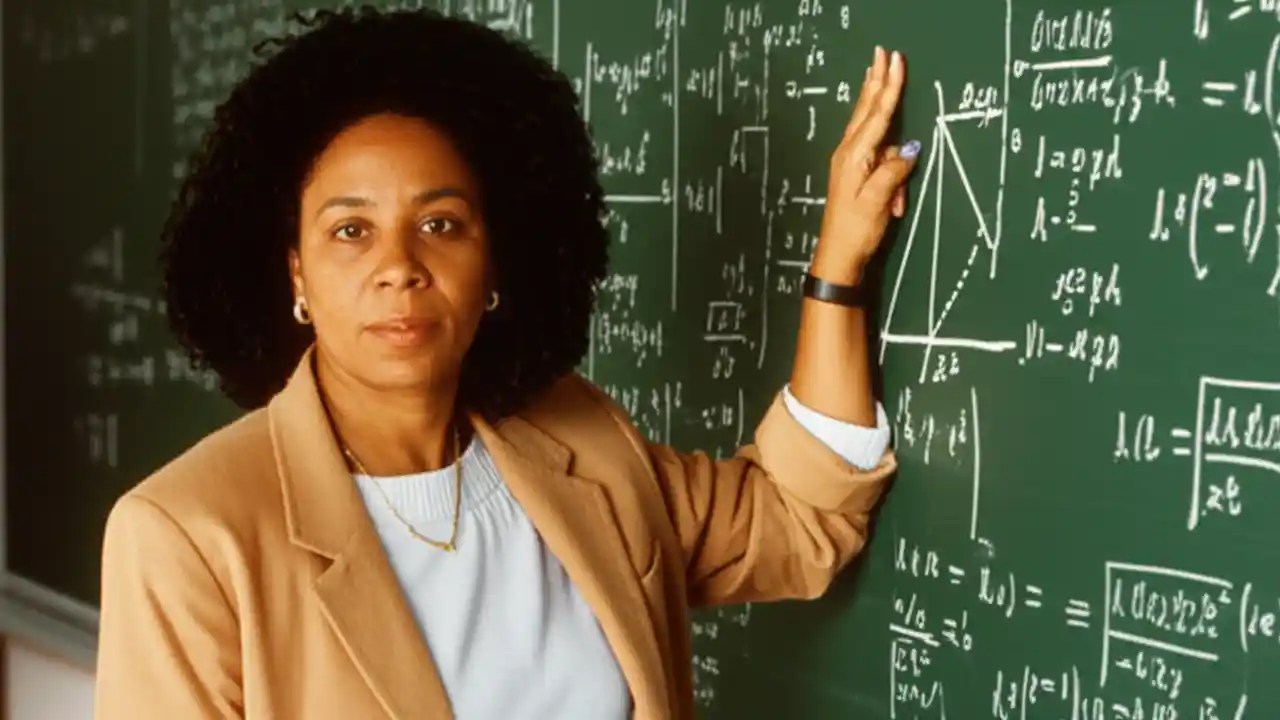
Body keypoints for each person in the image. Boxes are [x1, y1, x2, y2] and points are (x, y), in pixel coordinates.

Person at [94, 7, 917, 720]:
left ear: (495, 262)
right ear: (295, 275)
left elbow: (800, 520)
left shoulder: (582, 447)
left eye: (442, 223)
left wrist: (838, 266)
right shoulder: (189, 538)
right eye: (351, 230)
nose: (400, 266)